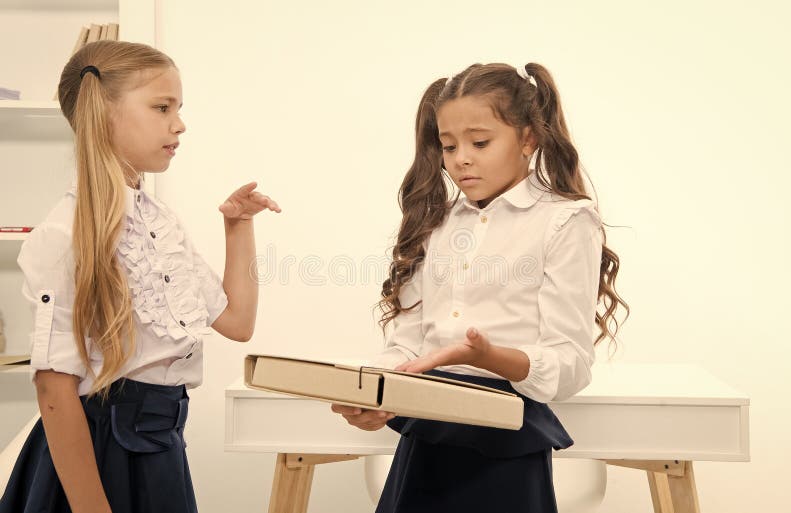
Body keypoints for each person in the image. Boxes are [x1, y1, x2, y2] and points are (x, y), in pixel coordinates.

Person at [332, 62, 628, 513]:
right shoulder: (436, 220)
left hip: (504, 442)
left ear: (528, 139)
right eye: (448, 146)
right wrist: (376, 392)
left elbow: (570, 364)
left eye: (480, 142)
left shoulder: (564, 221)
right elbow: (408, 344)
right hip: (426, 434)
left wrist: (487, 357)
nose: (460, 158)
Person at [0, 40, 280, 513]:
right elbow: (54, 389)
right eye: (161, 107)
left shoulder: (159, 223)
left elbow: (237, 322)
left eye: (179, 108)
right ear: (103, 115)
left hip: (159, 450)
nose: (180, 123)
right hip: (98, 462)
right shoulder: (63, 235)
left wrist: (239, 226)